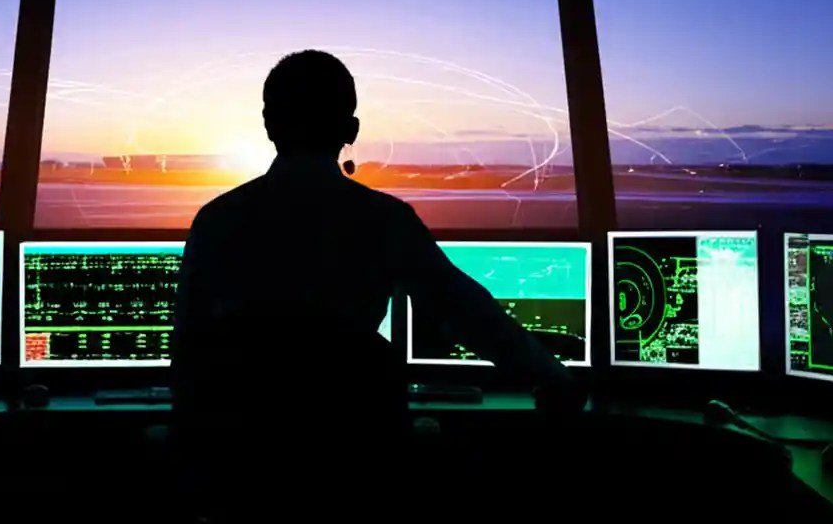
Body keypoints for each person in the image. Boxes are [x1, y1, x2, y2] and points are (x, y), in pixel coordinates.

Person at [168, 50, 580, 518]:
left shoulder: (216, 222)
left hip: (241, 479)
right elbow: (469, 313)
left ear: (268, 123)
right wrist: (552, 378)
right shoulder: (385, 220)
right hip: (358, 478)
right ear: (351, 131)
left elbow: (188, 353)